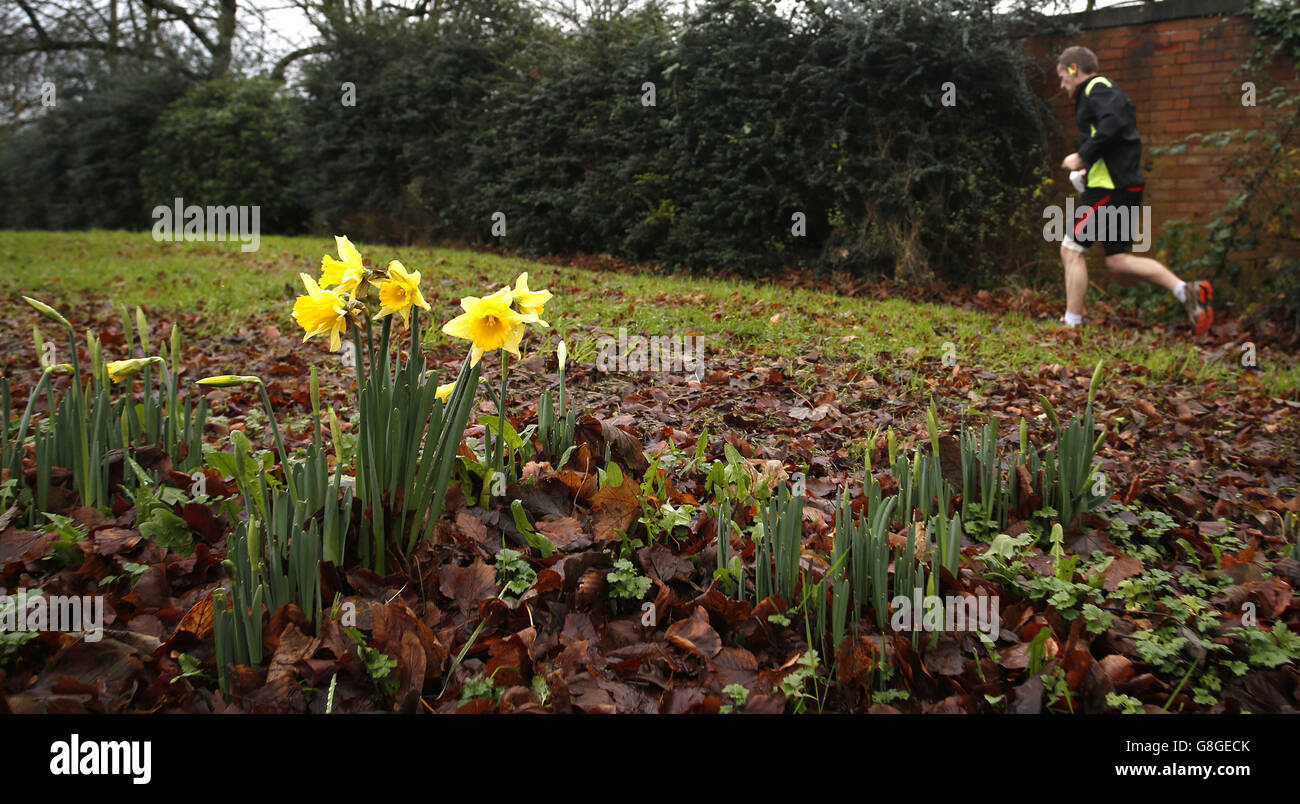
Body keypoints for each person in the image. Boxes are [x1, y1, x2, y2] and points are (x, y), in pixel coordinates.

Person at [1054, 45, 1213, 335]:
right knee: (1118, 261)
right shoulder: (1103, 93)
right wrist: (1088, 170)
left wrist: (1082, 155)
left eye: (1063, 75)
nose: (1061, 83)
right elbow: (1120, 136)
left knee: (1071, 249)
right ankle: (1186, 291)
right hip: (1122, 184)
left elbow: (1114, 124)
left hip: (1109, 188)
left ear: (1075, 69)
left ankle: (1071, 325)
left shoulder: (1096, 86)